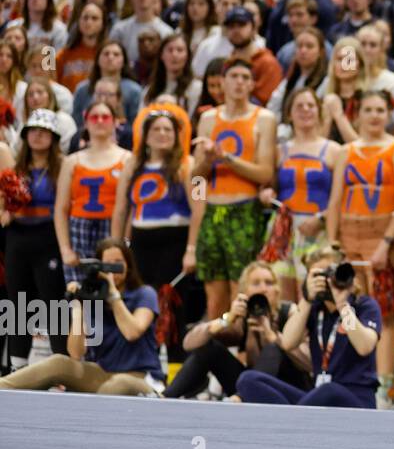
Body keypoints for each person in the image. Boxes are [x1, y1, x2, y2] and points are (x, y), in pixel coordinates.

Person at [325, 89, 394, 409]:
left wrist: (387, 242)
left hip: (382, 234)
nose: (375, 115)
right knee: (347, 303)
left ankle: (386, 385)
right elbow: (335, 199)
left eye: (381, 109)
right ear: (357, 114)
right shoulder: (346, 151)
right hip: (349, 232)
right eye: (369, 110)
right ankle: (350, 377)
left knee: (384, 311)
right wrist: (333, 242)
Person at [0, 237, 159, 396]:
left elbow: (132, 332)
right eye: (106, 265)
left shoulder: (144, 293)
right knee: (59, 363)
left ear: (128, 266)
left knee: (116, 385)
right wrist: (78, 308)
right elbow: (76, 353)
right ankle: (3, 386)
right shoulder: (96, 299)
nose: (111, 271)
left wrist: (113, 295)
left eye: (117, 263)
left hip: (139, 377)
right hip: (103, 374)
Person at [236, 246, 382, 408]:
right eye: (318, 276)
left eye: (329, 273)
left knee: (330, 390)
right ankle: (296, 421)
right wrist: (306, 298)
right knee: (248, 380)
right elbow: (288, 342)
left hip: (355, 399)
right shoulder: (314, 309)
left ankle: (293, 422)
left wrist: (342, 304)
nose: (325, 281)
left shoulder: (364, 305)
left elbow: (365, 346)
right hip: (316, 398)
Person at [191, 59, 276, 320]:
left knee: (243, 290)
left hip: (245, 211)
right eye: (234, 76)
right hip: (212, 211)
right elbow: (196, 178)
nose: (239, 82)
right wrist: (207, 159)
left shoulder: (264, 118)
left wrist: (224, 157)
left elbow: (265, 173)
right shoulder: (207, 119)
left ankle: (243, 350)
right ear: (222, 82)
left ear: (252, 84)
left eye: (245, 77)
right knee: (214, 296)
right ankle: (216, 349)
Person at [163, 261, 310, 399]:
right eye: (256, 283)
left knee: (273, 349)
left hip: (289, 387)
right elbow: (189, 344)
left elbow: (308, 362)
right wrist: (226, 319)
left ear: (277, 290)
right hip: (250, 387)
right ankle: (165, 397)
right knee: (211, 349)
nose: (263, 289)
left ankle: (241, 398)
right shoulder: (243, 318)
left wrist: (273, 336)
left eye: (269, 283)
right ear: (244, 291)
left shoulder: (290, 312)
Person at [111, 108, 204, 326]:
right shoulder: (132, 165)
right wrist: (116, 249)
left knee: (172, 305)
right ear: (145, 136)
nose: (162, 133)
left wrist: (192, 250)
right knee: (141, 300)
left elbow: (201, 208)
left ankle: (175, 359)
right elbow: (120, 209)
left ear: (176, 135)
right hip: (140, 241)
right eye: (156, 129)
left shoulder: (191, 164)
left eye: (168, 129)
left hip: (176, 241)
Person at [259, 88, 341, 303]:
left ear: (319, 111)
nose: (305, 111)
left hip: (318, 229)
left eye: (310, 106)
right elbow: (268, 186)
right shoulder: (280, 151)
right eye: (299, 106)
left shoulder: (334, 150)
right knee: (280, 291)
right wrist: (266, 194)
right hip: (283, 230)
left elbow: (341, 196)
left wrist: (322, 218)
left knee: (315, 292)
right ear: (289, 113)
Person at [0, 111, 64, 363]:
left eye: (44, 131)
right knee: (17, 304)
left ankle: (62, 365)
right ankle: (17, 366)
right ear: (25, 135)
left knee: (53, 303)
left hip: (49, 238)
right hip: (17, 238)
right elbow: (3, 214)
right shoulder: (14, 170)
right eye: (33, 130)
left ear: (53, 137)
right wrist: (11, 208)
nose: (38, 135)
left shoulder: (62, 168)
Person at [54, 100, 131, 292]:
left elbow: (131, 207)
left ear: (115, 122)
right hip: (79, 229)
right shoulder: (72, 161)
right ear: (85, 122)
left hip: (112, 226)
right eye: (94, 117)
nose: (99, 121)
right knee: (79, 294)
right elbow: (61, 209)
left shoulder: (128, 158)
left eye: (105, 117)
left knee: (112, 291)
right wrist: (65, 249)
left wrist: (124, 242)